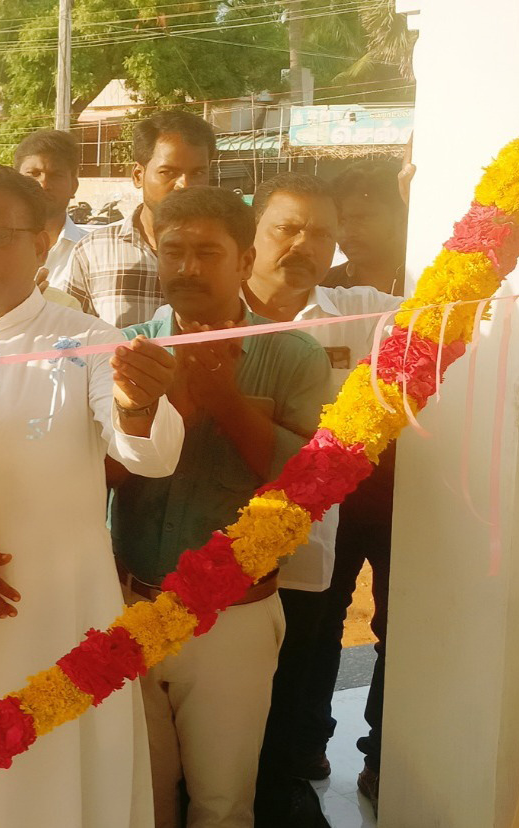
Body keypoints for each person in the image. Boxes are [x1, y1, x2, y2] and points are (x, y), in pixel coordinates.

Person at [0, 162, 181, 828]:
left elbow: (150, 455)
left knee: (56, 771)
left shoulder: (91, 341)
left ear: (43, 242)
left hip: (59, 605)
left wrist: (138, 405)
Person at [110, 187, 330, 828]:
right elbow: (97, 474)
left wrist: (226, 399)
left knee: (222, 803)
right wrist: (168, 407)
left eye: (207, 252)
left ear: (245, 260)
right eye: (173, 251)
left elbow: (308, 486)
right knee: (141, 797)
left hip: (233, 617)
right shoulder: (126, 352)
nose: (187, 268)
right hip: (130, 604)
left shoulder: (293, 355)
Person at [251, 171, 404, 807]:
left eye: (321, 233)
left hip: (316, 536)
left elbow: (454, 309)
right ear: (253, 232)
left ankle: (290, 775)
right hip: (220, 534)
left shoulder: (359, 311)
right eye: (287, 228)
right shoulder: (212, 315)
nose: (304, 245)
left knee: (303, 659)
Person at [58, 111, 216, 328]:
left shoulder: (227, 253)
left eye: (198, 173)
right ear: (138, 175)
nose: (184, 185)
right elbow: (68, 336)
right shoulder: (94, 251)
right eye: (168, 172)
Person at [14, 128, 91, 285]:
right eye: (34, 174)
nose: (43, 184)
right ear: (15, 182)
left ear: (73, 186)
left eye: (56, 175)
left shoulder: (92, 250)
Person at [325, 159, 410, 296]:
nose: (347, 232)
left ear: (401, 218)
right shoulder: (322, 288)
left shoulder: (430, 283)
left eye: (361, 218)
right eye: (340, 221)